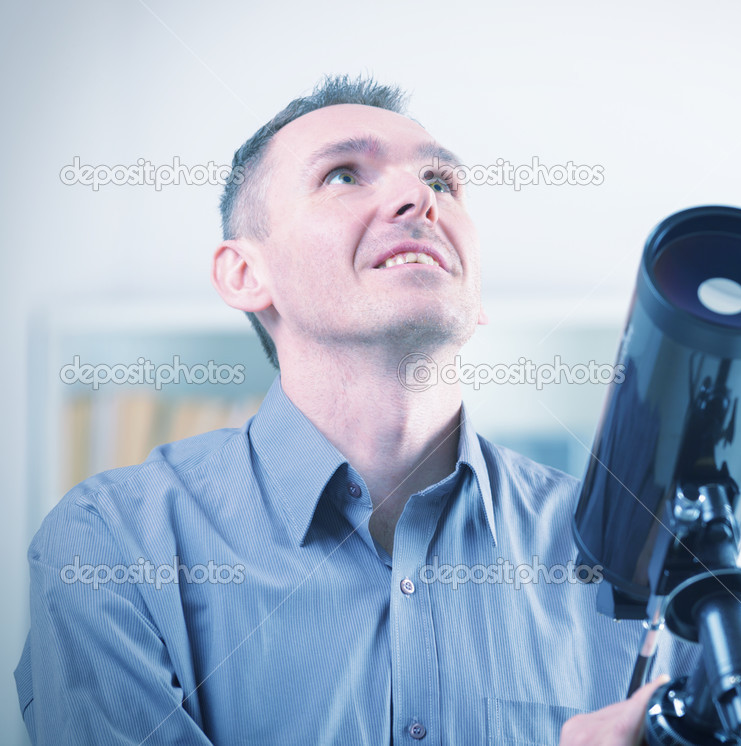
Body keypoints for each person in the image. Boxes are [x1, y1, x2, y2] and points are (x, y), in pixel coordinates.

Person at [15, 75, 694, 745]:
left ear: (474, 290)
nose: (416, 197)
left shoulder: (625, 560)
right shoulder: (110, 548)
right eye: (343, 175)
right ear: (244, 274)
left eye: (441, 182)